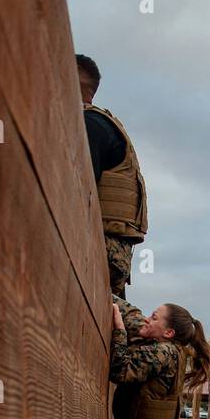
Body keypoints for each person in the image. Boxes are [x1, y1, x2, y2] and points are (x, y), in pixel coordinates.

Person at [76, 54, 148, 298]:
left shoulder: (89, 124)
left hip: (101, 252)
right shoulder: (102, 123)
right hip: (113, 256)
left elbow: (75, 193)